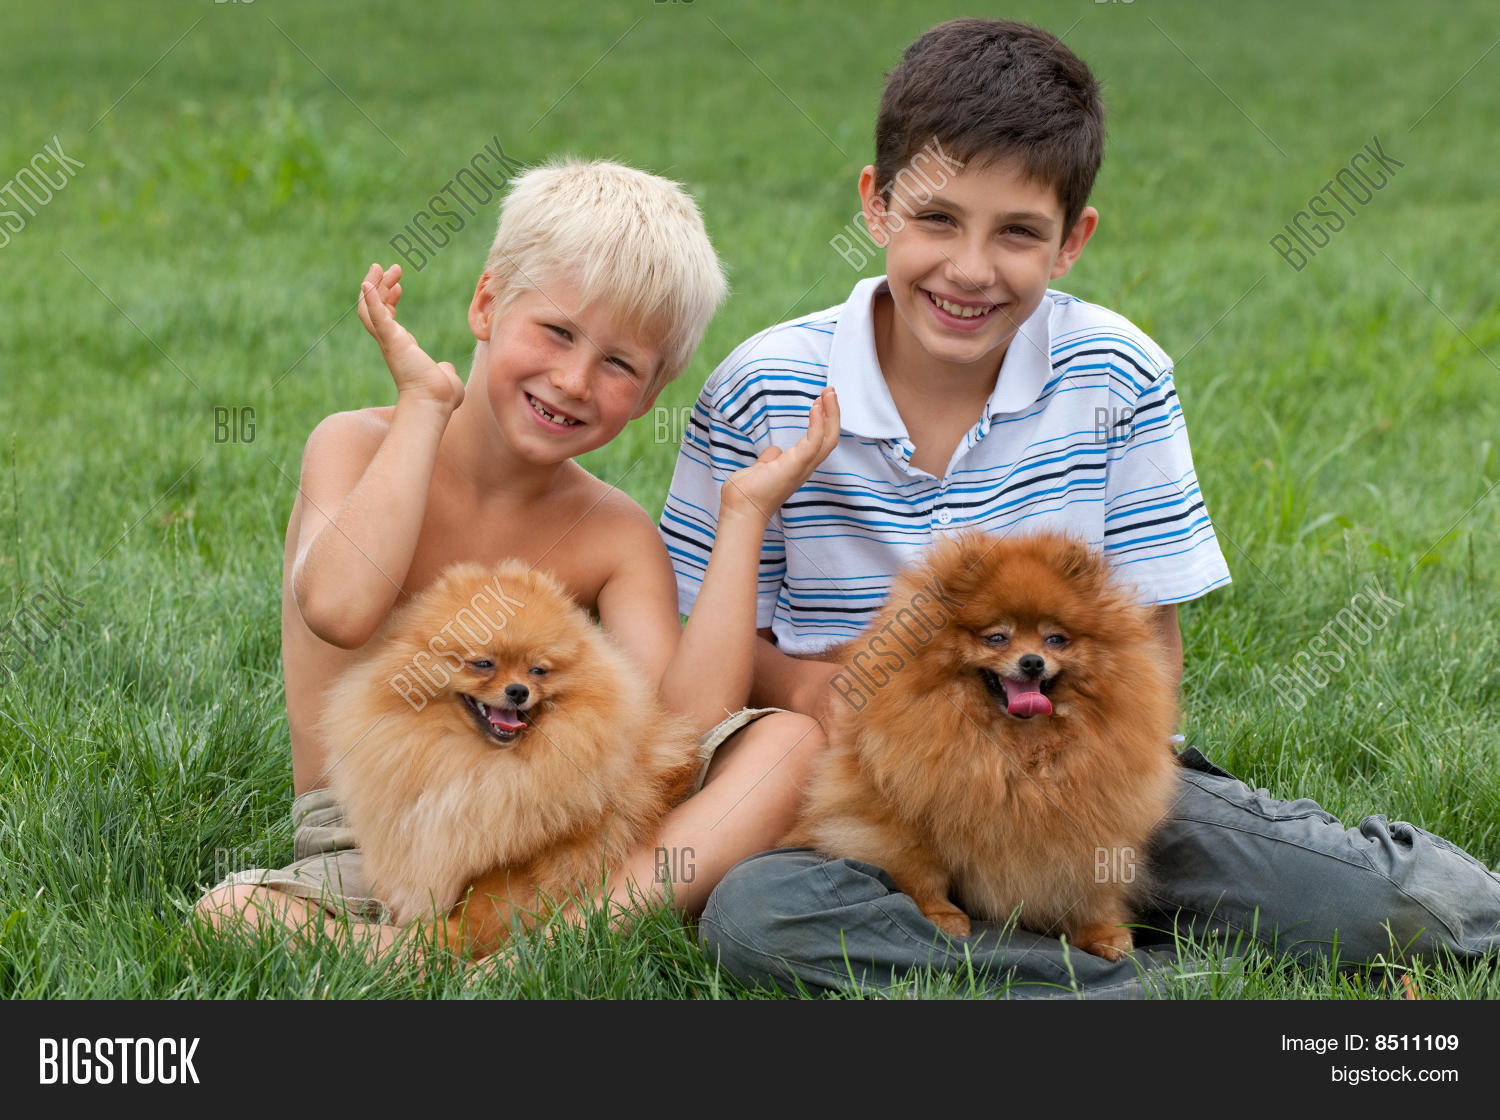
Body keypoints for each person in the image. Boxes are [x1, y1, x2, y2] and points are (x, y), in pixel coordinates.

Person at [660, 18, 1500, 997]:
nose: (970, 270)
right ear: (876, 204)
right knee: (758, 919)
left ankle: (1110, 936)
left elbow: (1147, 645)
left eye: (1017, 231)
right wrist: (816, 693)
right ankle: (1141, 987)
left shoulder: (1117, 373)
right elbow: (710, 663)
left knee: (1388, 915)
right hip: (873, 807)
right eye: (937, 218)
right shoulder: (764, 388)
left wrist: (1080, 812)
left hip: (1087, 791)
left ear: (1072, 241)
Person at [194, 157, 839, 958]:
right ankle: (467, 947)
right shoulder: (356, 446)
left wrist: (744, 515)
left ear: (650, 393)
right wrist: (423, 410)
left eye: (619, 365)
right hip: (374, 838)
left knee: (788, 747)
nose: (573, 380)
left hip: (543, 839)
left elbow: (687, 729)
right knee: (231, 915)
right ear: (487, 303)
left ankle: (556, 928)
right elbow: (340, 607)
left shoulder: (612, 531)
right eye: (558, 332)